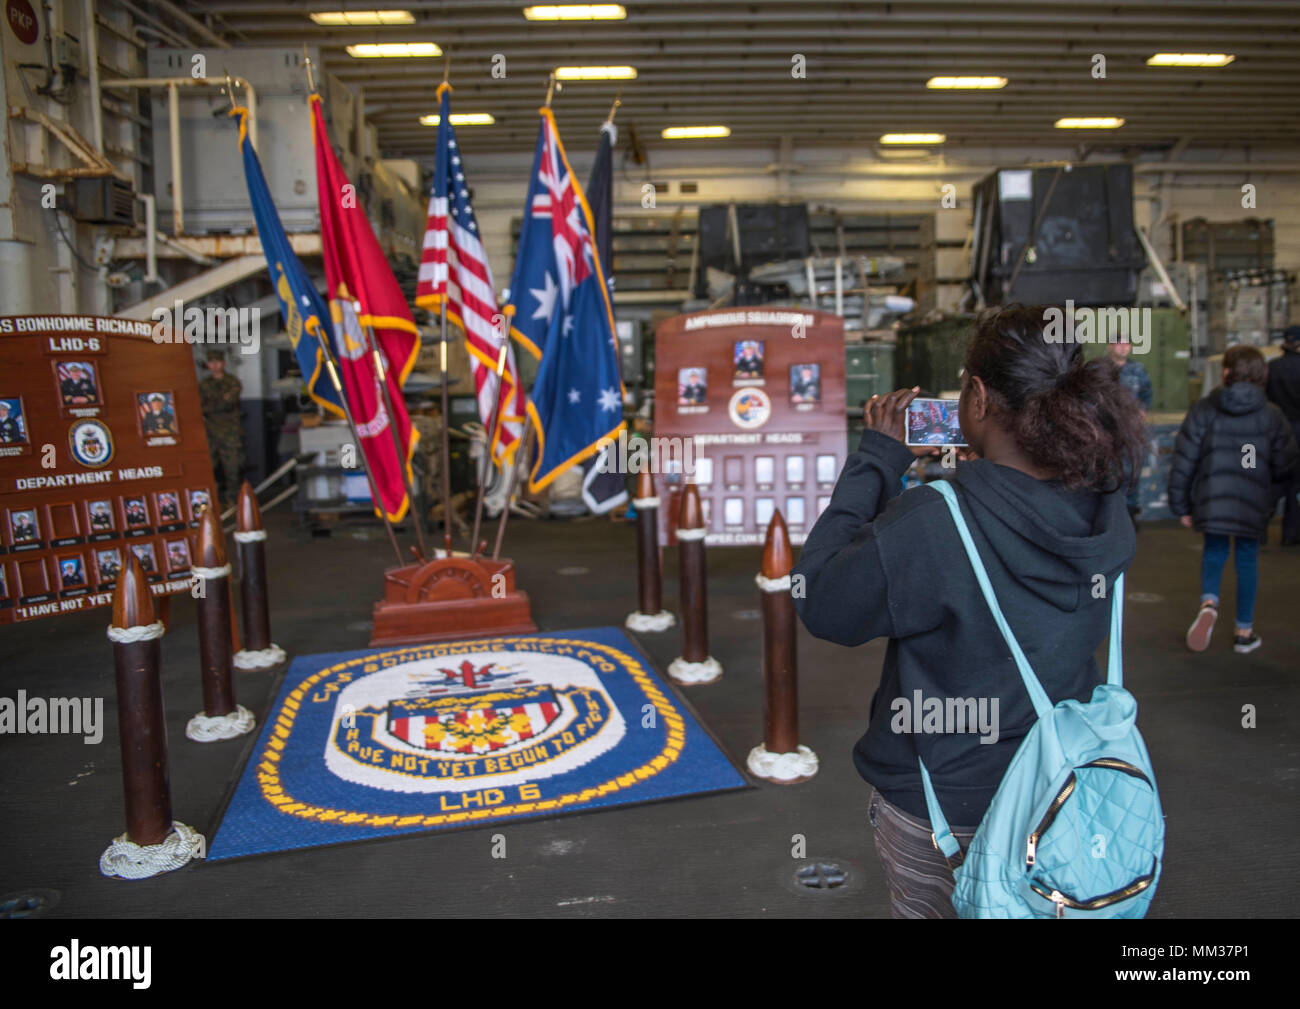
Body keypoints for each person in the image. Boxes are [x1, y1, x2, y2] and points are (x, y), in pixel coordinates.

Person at [792, 304, 1145, 919]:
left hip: (946, 808)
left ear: (978, 398)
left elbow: (821, 599)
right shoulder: (1104, 500)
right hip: (1068, 787)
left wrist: (878, 456)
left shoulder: (937, 519)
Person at [1170, 345, 1298, 654]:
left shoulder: (1204, 409)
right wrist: (1270, 490)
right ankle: (1244, 632)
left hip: (1213, 501)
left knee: (1214, 551)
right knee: (1247, 559)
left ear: (1225, 372)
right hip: (1252, 502)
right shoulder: (1271, 415)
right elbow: (1286, 463)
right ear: (1260, 374)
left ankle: (1210, 602)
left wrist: (1181, 506)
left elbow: (1184, 460)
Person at [1107, 339, 1152, 523]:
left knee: (1132, 471)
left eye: (1127, 344)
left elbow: (1147, 393)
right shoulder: (1100, 369)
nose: (1124, 347)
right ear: (1110, 346)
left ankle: (1130, 515)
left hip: (1131, 430)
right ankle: (1110, 516)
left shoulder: (1138, 370)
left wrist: (1142, 411)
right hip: (1107, 430)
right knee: (1108, 472)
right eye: (1119, 343)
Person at [1266, 326, 1300, 545]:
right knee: (1297, 487)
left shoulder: (1272, 368)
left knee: (1271, 483)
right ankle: (1292, 534)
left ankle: (1257, 529)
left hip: (1276, 432)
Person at [199, 351, 244, 505]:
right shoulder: (203, 384)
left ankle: (234, 499)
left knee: (232, 468)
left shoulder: (233, 382)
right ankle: (211, 500)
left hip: (230, 432)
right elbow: (200, 407)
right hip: (210, 432)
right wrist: (221, 401)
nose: (214, 365)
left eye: (217, 362)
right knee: (208, 468)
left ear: (223, 363)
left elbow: (229, 402)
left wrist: (212, 405)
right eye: (211, 362)